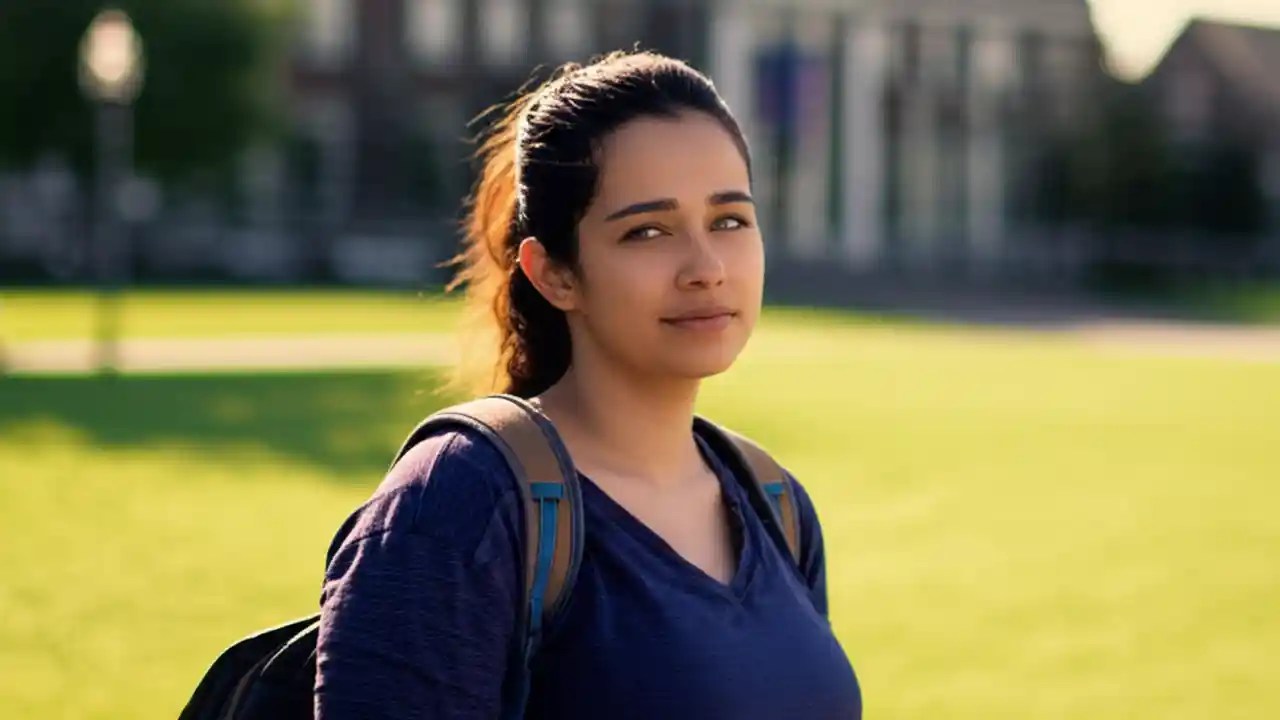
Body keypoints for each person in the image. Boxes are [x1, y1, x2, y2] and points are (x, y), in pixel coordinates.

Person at [314, 50, 861, 719]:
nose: (707, 267)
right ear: (554, 274)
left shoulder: (775, 504)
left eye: (729, 220)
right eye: (648, 231)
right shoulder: (460, 500)